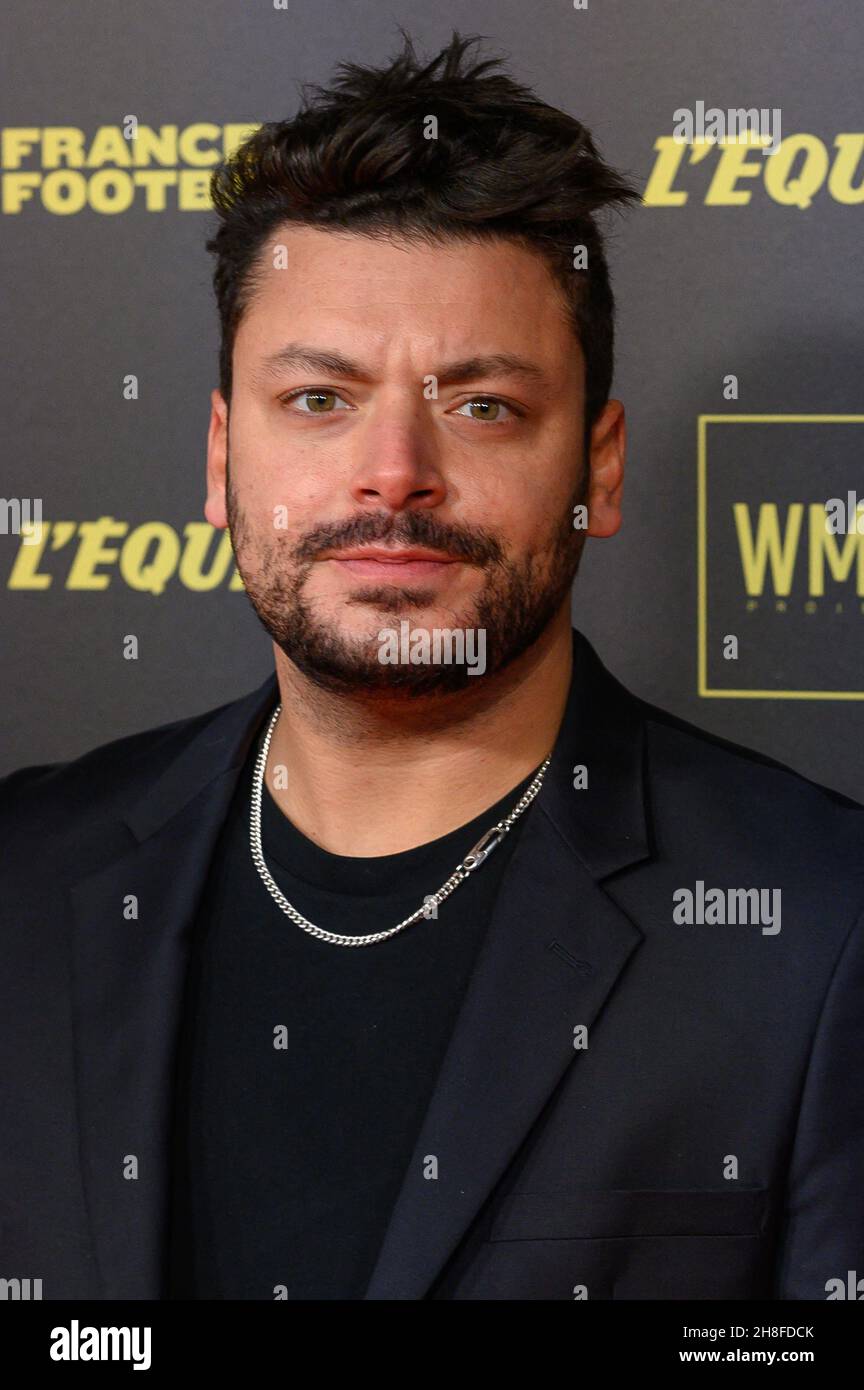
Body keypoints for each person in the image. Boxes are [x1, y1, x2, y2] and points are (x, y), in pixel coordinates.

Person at [2, 31, 862, 1302]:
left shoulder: (820, 927)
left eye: (483, 405)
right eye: (319, 400)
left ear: (601, 468)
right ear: (219, 455)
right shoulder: (26, 877)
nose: (394, 470)